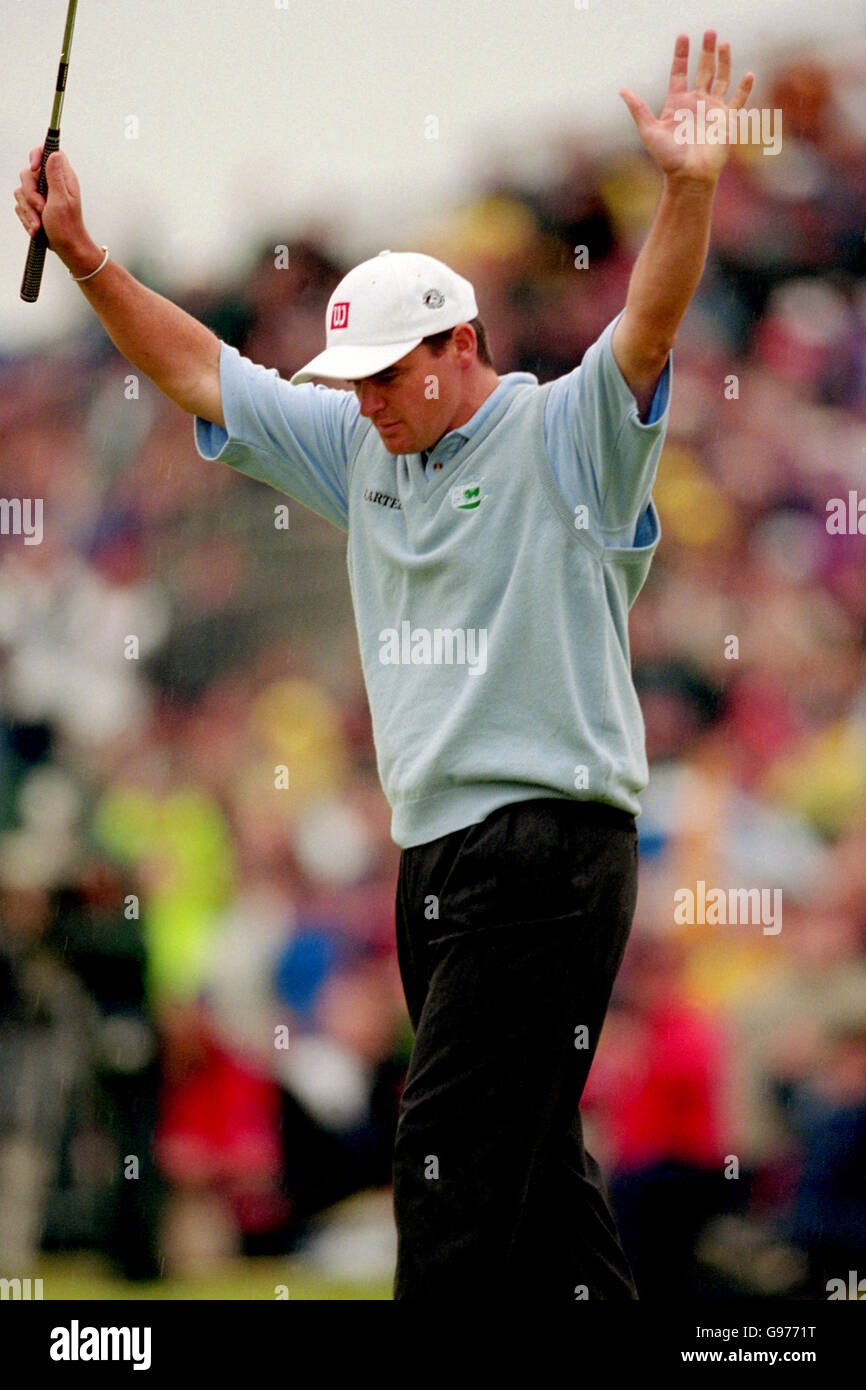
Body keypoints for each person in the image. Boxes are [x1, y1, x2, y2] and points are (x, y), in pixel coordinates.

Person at [14, 31, 754, 1299]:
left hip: (546, 844)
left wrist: (684, 189)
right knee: (538, 1188)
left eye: (382, 376)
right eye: (347, 380)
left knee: (444, 1174)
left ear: (454, 347)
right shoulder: (362, 446)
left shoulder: (562, 433)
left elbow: (643, 326)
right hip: (439, 855)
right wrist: (86, 255)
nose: (361, 400)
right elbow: (204, 370)